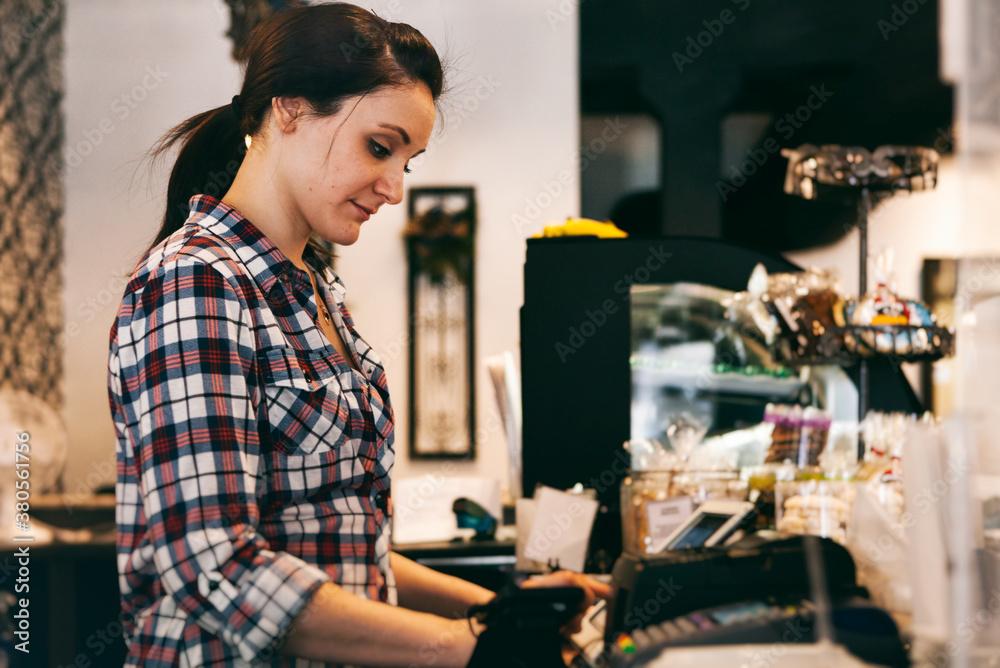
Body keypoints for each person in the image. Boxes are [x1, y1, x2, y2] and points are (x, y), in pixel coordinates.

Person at [107, 4, 609, 667]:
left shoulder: (313, 289)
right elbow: (219, 566)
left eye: (409, 161)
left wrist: (497, 608)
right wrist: (467, 649)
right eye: (379, 146)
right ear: (288, 111)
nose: (395, 187)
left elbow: (346, 550)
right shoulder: (195, 282)